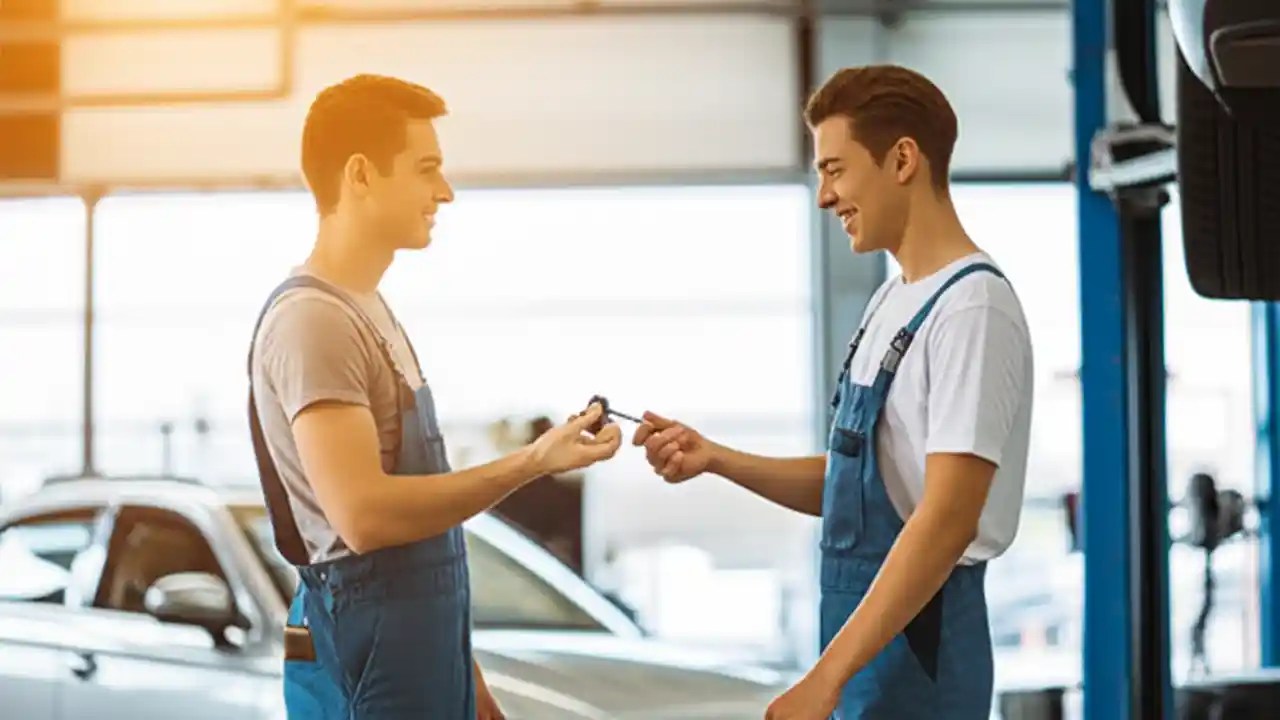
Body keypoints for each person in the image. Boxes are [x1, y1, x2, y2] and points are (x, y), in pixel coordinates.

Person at [633, 65, 1034, 720]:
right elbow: (864, 488)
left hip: (923, 649)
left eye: (835, 168)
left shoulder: (971, 308)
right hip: (868, 642)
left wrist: (827, 678)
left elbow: (944, 519)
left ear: (902, 159)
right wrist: (718, 459)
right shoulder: (892, 300)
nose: (824, 195)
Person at [246, 74, 622, 719]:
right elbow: (366, 517)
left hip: (420, 656)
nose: (443, 192)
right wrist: (533, 462)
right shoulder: (315, 321)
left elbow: (423, 544)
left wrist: (470, 687)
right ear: (361, 176)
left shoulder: (368, 311)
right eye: (426, 170)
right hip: (367, 657)